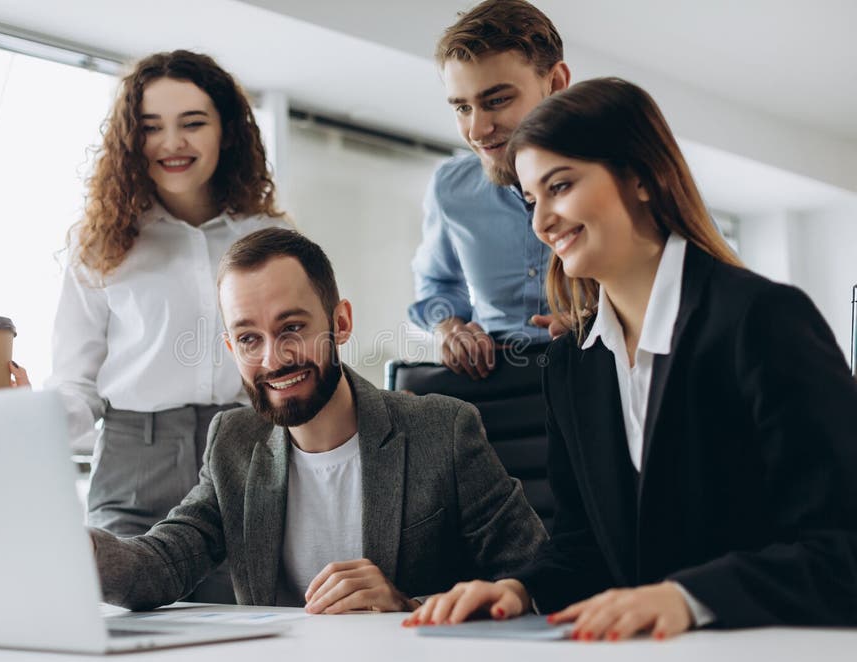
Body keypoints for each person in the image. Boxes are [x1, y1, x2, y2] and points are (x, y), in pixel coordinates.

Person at [407, 78, 857, 638]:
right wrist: (521, 590)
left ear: (642, 177)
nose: (542, 222)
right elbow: (584, 550)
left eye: (561, 186)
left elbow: (842, 548)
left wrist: (689, 598)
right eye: (531, 200)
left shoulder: (763, 321)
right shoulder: (573, 364)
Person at [0, 50, 289, 602]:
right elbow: (78, 386)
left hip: (244, 461)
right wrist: (17, 418)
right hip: (134, 466)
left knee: (249, 626)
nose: (171, 143)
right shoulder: (104, 244)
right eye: (150, 126)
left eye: (192, 123)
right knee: (117, 624)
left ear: (227, 132)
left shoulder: (267, 236)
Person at [90, 228, 546, 611]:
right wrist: (76, 551)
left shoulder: (442, 430)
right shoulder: (234, 442)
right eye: (250, 338)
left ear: (341, 322)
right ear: (232, 349)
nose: (274, 358)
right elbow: (162, 564)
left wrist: (406, 605)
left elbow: (539, 573)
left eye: (292, 328)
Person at [408, 0, 570, 378]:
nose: (477, 131)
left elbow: (689, 277)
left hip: (598, 377)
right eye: (462, 108)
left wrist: (603, 317)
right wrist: (451, 327)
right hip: (496, 387)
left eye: (496, 101)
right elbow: (434, 286)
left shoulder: (621, 170)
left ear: (556, 84)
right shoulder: (451, 189)